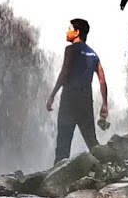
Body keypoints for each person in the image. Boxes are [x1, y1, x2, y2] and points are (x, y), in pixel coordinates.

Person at [46, 17, 108, 164]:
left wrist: (52, 95)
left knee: (63, 141)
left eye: (69, 29)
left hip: (70, 99)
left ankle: (57, 176)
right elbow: (102, 80)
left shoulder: (70, 49)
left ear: (77, 32)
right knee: (91, 140)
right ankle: (106, 165)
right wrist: (104, 104)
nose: (67, 32)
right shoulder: (94, 54)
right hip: (86, 100)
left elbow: (65, 72)